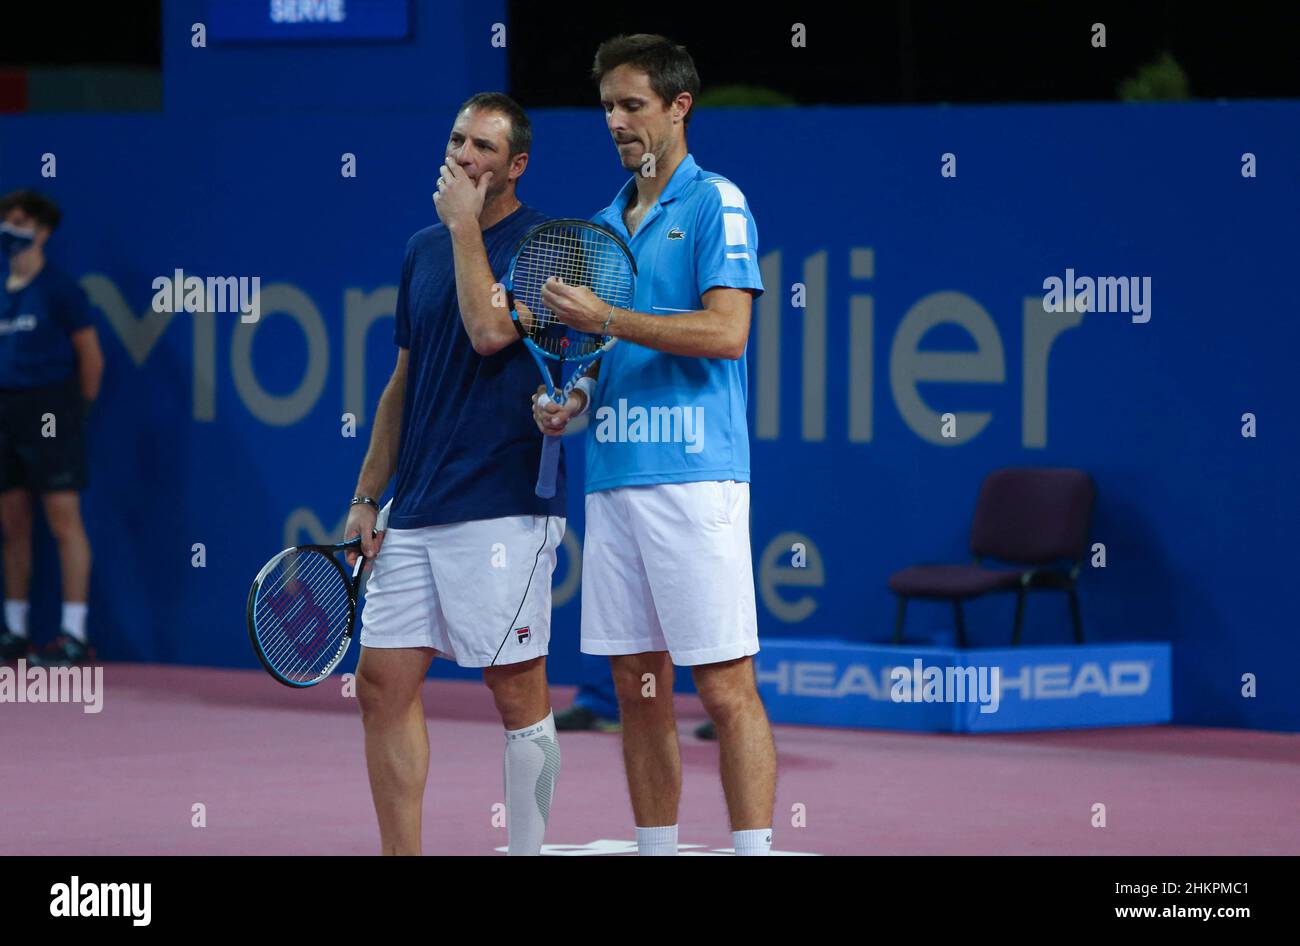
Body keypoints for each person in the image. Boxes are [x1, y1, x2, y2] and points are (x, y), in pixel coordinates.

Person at [533, 35, 775, 855]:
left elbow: (727, 332)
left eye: (633, 104)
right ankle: (657, 850)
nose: (616, 121)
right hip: (613, 479)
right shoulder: (604, 224)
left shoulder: (717, 202)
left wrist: (606, 317)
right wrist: (573, 397)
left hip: (694, 479)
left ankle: (752, 851)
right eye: (607, 106)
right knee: (638, 689)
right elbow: (602, 360)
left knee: (725, 687)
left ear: (679, 107)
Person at [346, 93, 564, 856]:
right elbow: (401, 386)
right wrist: (369, 494)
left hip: (503, 506)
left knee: (516, 691)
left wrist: (464, 226)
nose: (464, 157)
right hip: (417, 508)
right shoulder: (421, 249)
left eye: (483, 148)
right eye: (457, 141)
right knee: (381, 685)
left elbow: (487, 332)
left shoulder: (546, 246)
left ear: (516, 166)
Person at [0, 189, 103, 666]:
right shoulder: (2, 288)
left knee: (64, 522)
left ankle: (73, 634)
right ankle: (15, 631)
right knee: (13, 524)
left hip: (52, 412)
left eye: (20, 220)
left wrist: (72, 412)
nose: (10, 227)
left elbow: (91, 357)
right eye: (6, 218)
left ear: (43, 232)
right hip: (5, 413)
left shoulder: (61, 289)